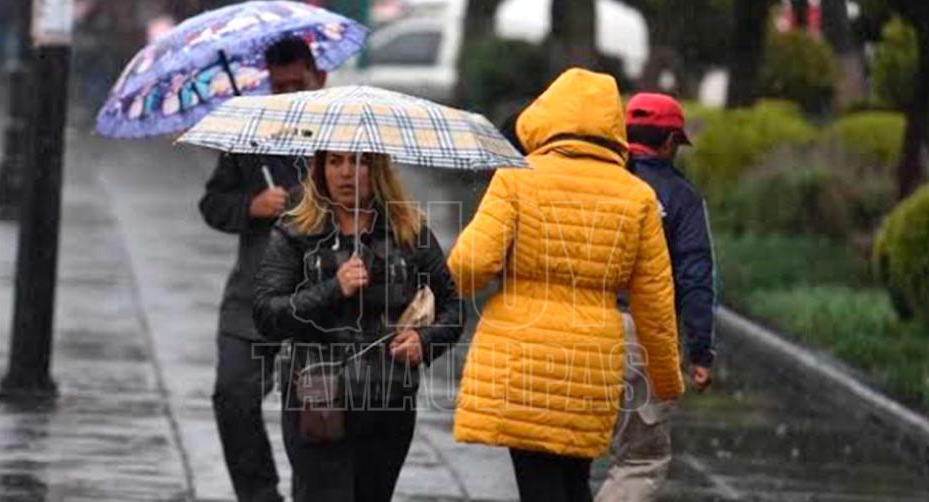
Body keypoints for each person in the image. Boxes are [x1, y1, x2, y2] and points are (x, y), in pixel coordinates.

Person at [447, 68, 684, 502]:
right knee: (574, 478)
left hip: (520, 356)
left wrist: (440, 294)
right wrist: (667, 378)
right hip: (592, 363)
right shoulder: (637, 197)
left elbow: (471, 263)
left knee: (538, 482)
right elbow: (655, 299)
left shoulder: (517, 177)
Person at [253, 150, 462, 501]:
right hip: (318, 396)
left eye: (359, 162)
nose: (346, 173)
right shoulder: (296, 232)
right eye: (335, 162)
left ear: (377, 169)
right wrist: (334, 288)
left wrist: (425, 342)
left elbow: (453, 307)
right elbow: (266, 314)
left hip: (387, 399)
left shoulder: (409, 231)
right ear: (320, 170)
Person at [198, 36, 326, 502]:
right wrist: (251, 205)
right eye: (279, 86)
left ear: (320, 78)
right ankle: (259, 495)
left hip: (317, 299)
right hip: (251, 299)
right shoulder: (247, 138)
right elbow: (212, 203)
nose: (288, 94)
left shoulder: (342, 139)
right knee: (232, 396)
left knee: (315, 415)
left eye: (298, 84)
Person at [595, 93, 716, 502]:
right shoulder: (682, 198)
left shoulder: (596, 179)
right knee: (639, 458)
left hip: (579, 326)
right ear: (668, 143)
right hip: (644, 336)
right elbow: (696, 276)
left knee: (566, 449)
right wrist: (701, 351)